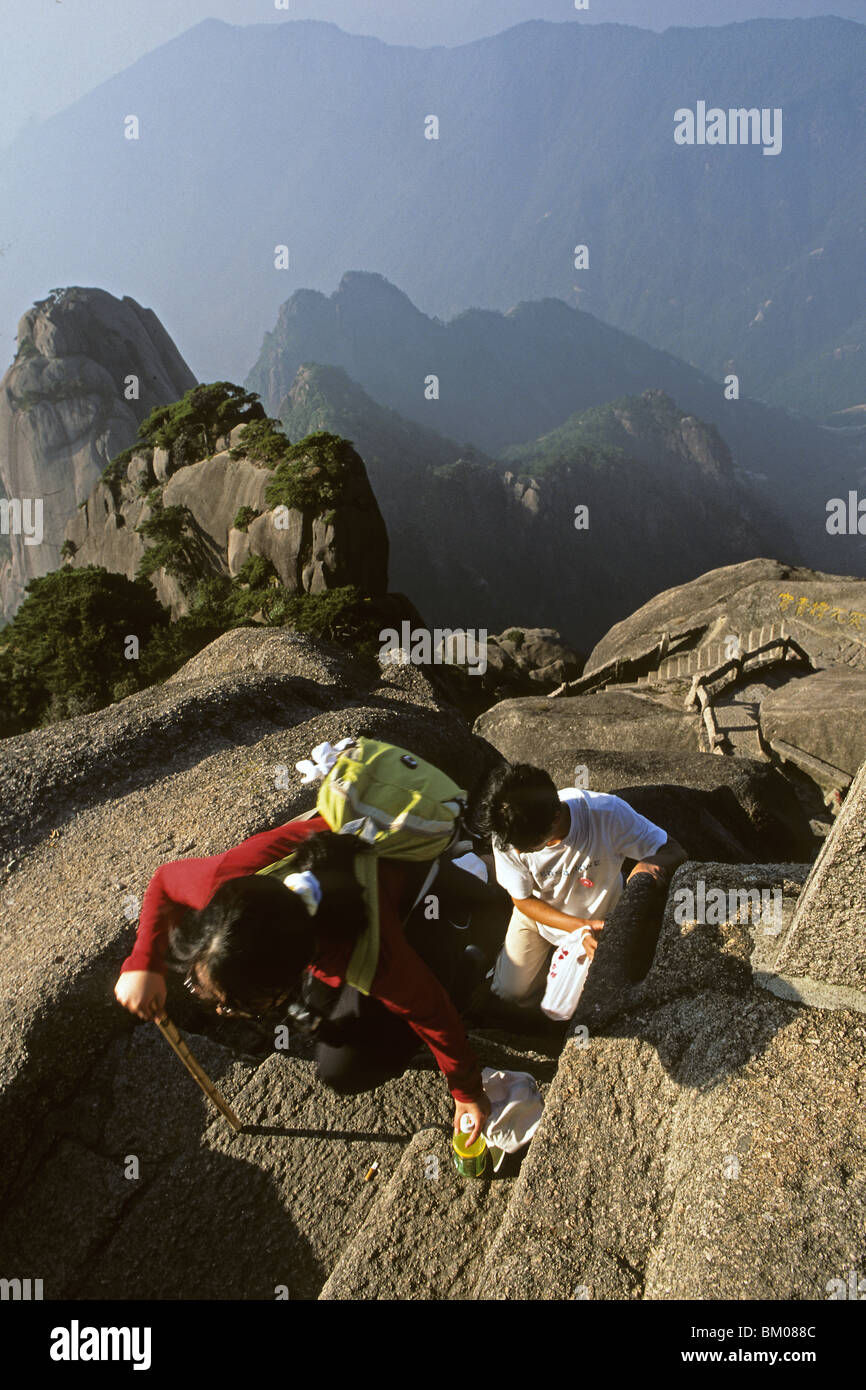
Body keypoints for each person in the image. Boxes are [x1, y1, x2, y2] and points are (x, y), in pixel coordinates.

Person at [114, 812, 500, 1142]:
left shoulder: (374, 957)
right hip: (329, 891)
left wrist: (466, 1090)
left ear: (292, 973)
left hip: (410, 893)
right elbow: (165, 880)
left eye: (229, 1003)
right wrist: (143, 962)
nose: (218, 1009)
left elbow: (431, 1012)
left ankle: (466, 952)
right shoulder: (227, 887)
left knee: (344, 1070)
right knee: (320, 1017)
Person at [472, 762, 687, 1008]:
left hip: (601, 917)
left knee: (591, 1000)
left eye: (529, 845)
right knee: (510, 995)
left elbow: (673, 850)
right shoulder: (508, 831)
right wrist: (580, 927)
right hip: (539, 918)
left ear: (555, 818)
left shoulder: (605, 814)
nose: (518, 851)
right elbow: (522, 900)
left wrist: (648, 867)